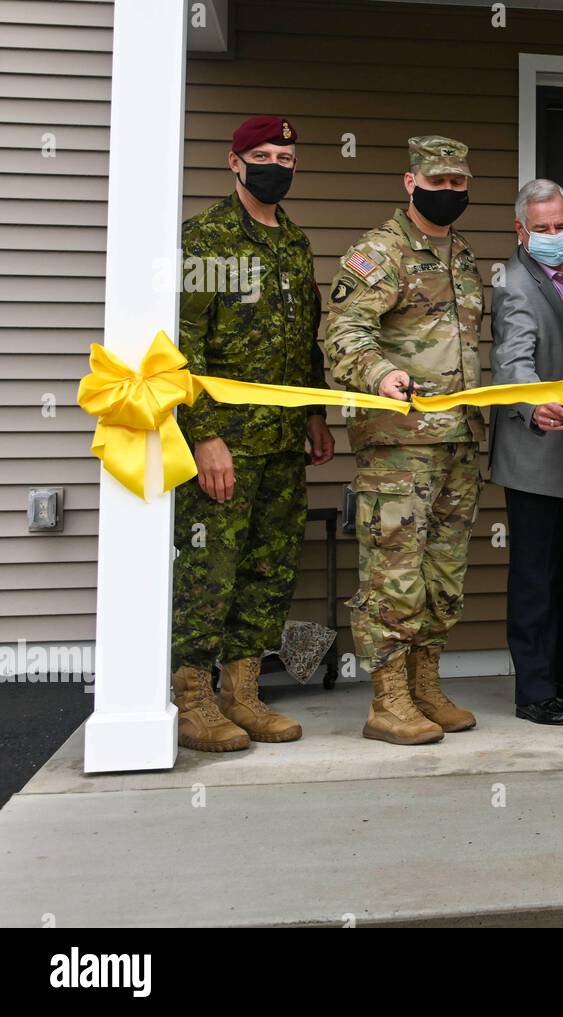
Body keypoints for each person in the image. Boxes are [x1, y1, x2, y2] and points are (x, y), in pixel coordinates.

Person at [172, 114, 334, 753]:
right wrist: (204, 435)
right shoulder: (205, 240)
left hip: (284, 441)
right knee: (210, 571)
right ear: (234, 162)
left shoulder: (293, 241)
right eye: (263, 156)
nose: (276, 167)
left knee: (268, 570)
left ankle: (243, 695)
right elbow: (181, 347)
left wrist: (317, 414)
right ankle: (193, 701)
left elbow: (306, 335)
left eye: (286, 158)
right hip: (225, 444)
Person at [325, 136, 483, 746]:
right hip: (398, 444)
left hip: (457, 442)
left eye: (458, 185)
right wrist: (379, 374)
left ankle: (425, 683)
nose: (448, 193)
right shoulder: (380, 252)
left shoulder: (463, 256)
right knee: (393, 568)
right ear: (410, 183)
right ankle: (387, 697)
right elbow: (344, 332)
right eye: (437, 183)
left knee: (444, 570)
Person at [489, 179, 563, 726]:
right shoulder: (512, 282)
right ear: (521, 230)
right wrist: (532, 404)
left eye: (562, 226)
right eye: (542, 229)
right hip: (536, 448)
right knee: (535, 575)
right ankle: (534, 691)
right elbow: (512, 359)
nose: (555, 236)